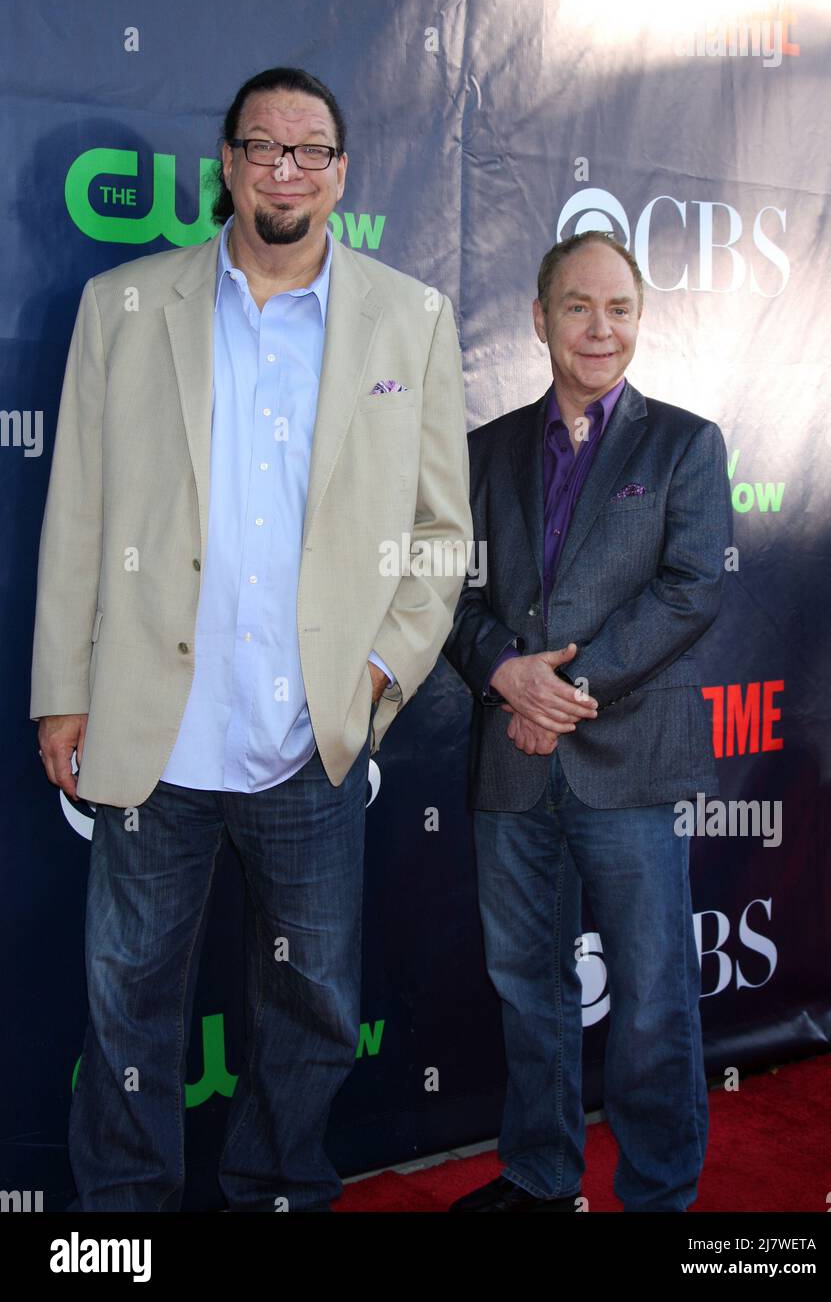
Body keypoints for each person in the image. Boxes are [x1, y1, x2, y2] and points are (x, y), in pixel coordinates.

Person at [30, 66, 470, 1212]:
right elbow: (75, 510)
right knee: (127, 1006)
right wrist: (59, 694)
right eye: (262, 148)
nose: (285, 169)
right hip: (149, 740)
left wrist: (377, 675)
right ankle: (119, 1222)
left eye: (309, 151)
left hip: (310, 747)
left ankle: (277, 1193)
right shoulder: (123, 307)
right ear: (225, 163)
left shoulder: (409, 319)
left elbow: (439, 533)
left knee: (314, 1004)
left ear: (340, 174)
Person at [443, 231, 732, 1212]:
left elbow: (691, 588)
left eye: (617, 308)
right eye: (576, 306)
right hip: (509, 769)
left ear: (638, 322)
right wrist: (502, 674)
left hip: (627, 765)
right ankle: (538, 1176)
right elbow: (451, 594)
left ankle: (656, 1194)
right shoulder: (481, 453)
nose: (597, 327)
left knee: (650, 1001)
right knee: (529, 988)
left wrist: (562, 694)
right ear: (538, 319)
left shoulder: (684, 444)